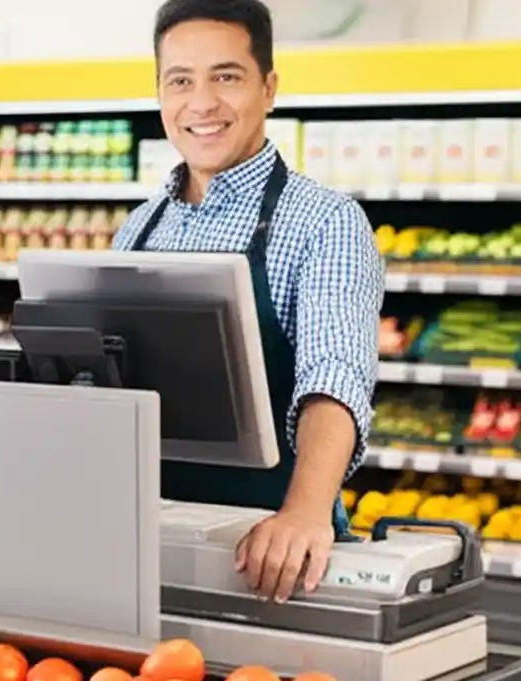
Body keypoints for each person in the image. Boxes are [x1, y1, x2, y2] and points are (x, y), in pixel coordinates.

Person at [114, 0, 383, 603]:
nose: (201, 102)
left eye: (226, 77)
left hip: (274, 552)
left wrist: (306, 512)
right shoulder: (137, 229)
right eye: (180, 80)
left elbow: (335, 375)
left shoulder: (325, 222)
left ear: (268, 88)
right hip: (154, 540)